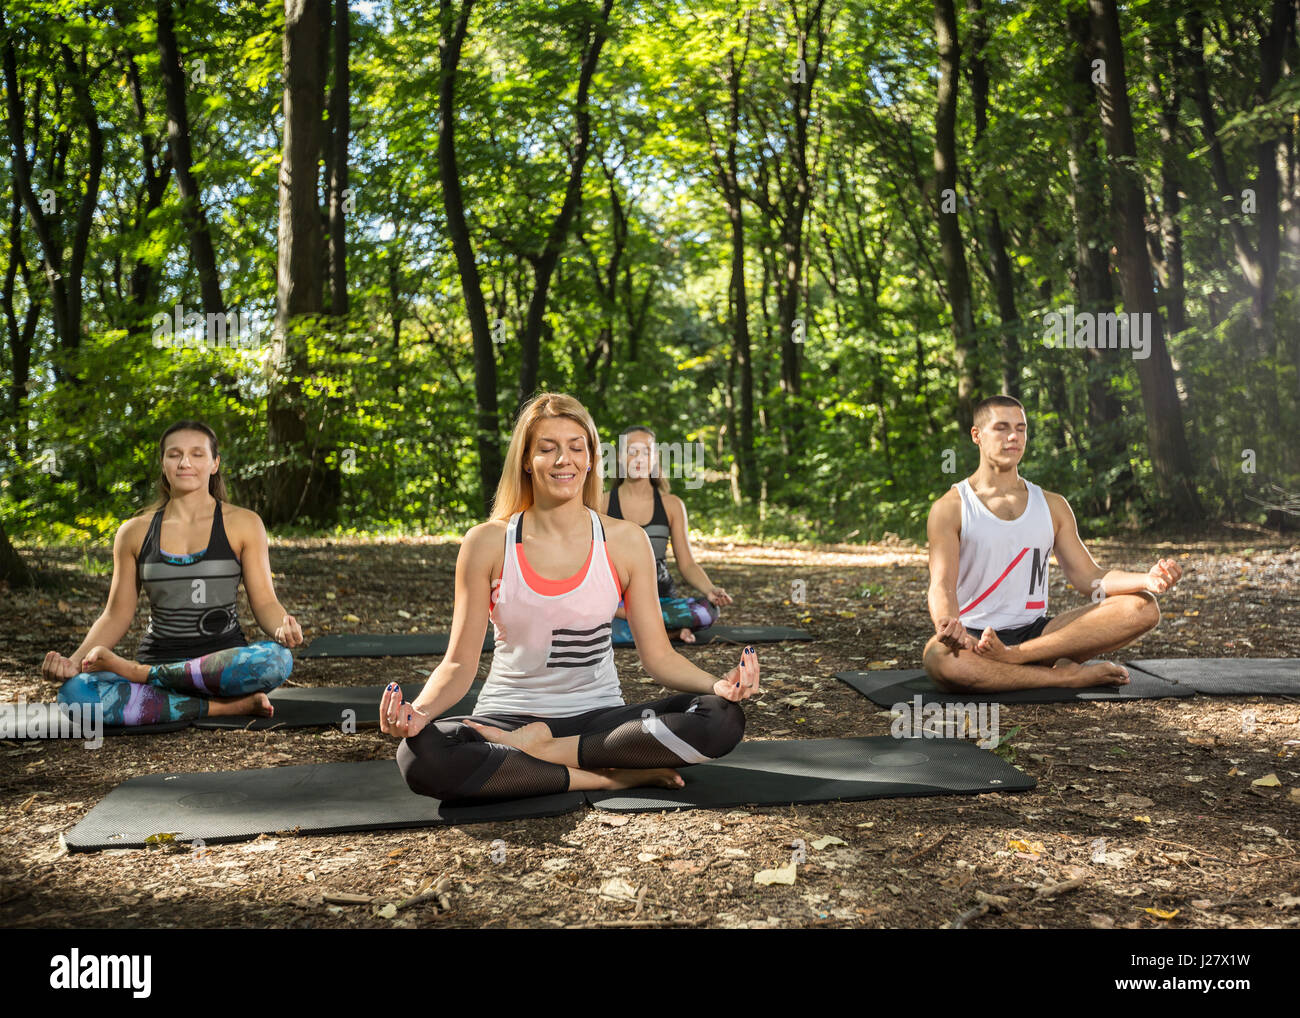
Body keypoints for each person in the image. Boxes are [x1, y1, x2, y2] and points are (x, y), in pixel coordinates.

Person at [382, 393, 758, 802]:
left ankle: (543, 753)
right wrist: (418, 712)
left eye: (577, 448)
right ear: (526, 460)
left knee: (719, 718)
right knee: (420, 756)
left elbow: (659, 657)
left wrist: (718, 685)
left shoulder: (625, 541)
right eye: (548, 449)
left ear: (592, 458)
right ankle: (606, 778)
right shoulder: (487, 543)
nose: (565, 460)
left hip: (599, 723)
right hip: (508, 718)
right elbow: (458, 663)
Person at [44, 420, 301, 725]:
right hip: (162, 659)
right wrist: (74, 662)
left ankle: (145, 679)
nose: (185, 463)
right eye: (174, 454)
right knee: (75, 695)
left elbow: (265, 603)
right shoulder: (133, 532)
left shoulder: (244, 524)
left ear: (215, 463)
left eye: (197, 454)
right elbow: (116, 614)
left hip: (223, 668)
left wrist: (281, 628)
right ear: (163, 464)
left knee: (276, 660)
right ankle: (227, 707)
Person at [922, 395, 1180, 692]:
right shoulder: (951, 507)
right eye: (1001, 428)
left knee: (1143, 607)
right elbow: (942, 584)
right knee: (939, 659)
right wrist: (948, 623)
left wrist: (1147, 579)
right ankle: (1062, 676)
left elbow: (1090, 578)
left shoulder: (1052, 505)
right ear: (976, 435)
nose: (1013, 437)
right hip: (975, 637)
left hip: (1038, 636)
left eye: (1021, 429)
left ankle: (1014, 659)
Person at [601, 425, 732, 644]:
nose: (639, 458)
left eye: (646, 451)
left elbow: (687, 564)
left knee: (707, 610)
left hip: (661, 601)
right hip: (617, 601)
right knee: (592, 615)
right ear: (620, 458)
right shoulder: (601, 503)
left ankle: (643, 625)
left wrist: (711, 590)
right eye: (632, 451)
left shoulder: (672, 505)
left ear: (655, 458)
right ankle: (668, 632)